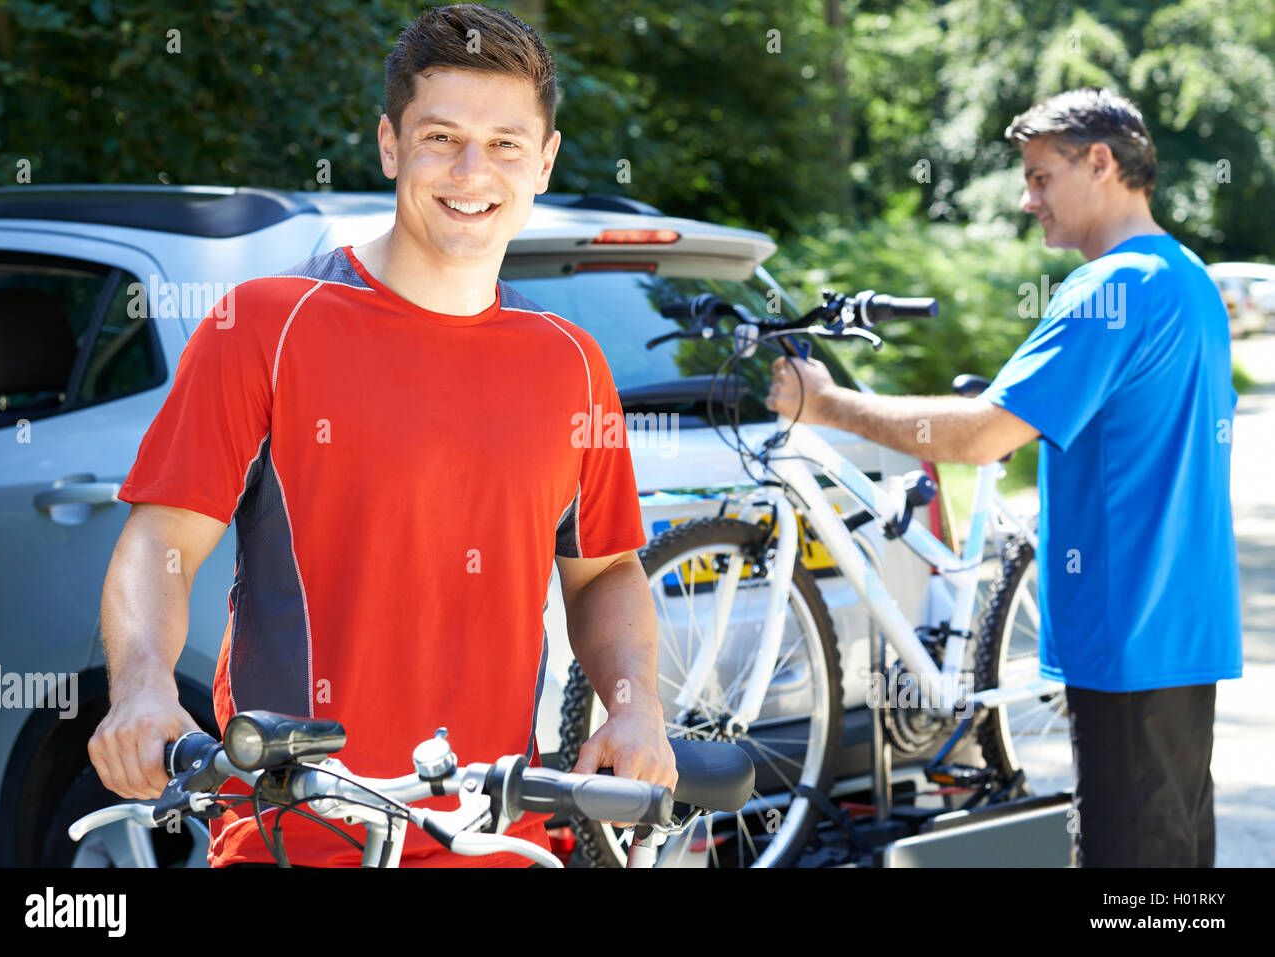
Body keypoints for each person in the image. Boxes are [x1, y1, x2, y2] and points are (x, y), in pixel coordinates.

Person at [87, 3, 676, 867]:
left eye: (507, 143)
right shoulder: (264, 326)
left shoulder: (572, 362)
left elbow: (605, 571)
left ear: (544, 162)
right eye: (440, 136)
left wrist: (635, 704)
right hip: (295, 834)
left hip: (500, 836)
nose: (473, 170)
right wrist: (139, 684)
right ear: (391, 145)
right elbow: (162, 536)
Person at [766, 87, 1241, 867]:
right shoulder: (1187, 277)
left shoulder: (1109, 289)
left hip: (1127, 634)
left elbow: (985, 433)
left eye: (1041, 177)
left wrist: (831, 403)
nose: (1027, 200)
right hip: (1184, 628)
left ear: (1101, 161)